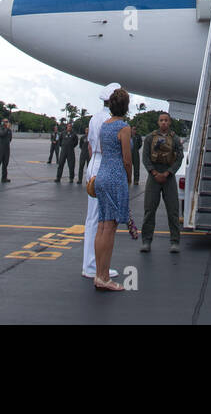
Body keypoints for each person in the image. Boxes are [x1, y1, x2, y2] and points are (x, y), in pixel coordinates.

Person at [92, 88, 134, 292]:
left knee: (102, 226)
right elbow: (127, 159)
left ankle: (98, 274)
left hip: (102, 175)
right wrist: (129, 178)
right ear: (125, 106)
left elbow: (103, 150)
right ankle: (104, 277)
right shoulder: (124, 128)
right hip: (115, 177)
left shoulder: (104, 126)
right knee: (110, 228)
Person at [82, 90, 119, 282]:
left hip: (93, 163)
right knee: (102, 220)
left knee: (92, 218)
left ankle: (90, 264)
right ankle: (94, 266)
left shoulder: (94, 118)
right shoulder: (110, 120)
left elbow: (90, 146)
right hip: (104, 164)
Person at [140, 112, 183, 253]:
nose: (164, 122)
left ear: (169, 122)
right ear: (158, 122)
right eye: (161, 120)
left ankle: (175, 241)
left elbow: (179, 158)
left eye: (166, 120)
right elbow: (145, 157)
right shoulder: (150, 138)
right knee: (149, 210)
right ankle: (146, 241)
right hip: (153, 176)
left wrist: (168, 173)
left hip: (168, 176)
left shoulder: (175, 139)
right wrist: (154, 172)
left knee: (173, 211)